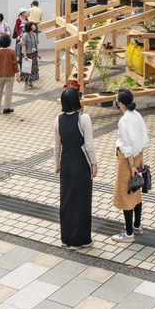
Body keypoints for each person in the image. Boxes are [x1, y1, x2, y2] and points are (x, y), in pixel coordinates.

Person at [54, 86, 97, 248]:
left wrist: (57, 164)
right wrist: (94, 163)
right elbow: (89, 145)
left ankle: (66, 239)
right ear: (76, 101)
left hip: (66, 164)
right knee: (82, 202)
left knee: (66, 202)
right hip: (81, 165)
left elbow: (56, 146)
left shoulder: (57, 119)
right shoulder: (84, 118)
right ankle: (81, 240)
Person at [111, 88, 150, 242]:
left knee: (126, 193)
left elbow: (126, 145)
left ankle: (128, 234)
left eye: (117, 101)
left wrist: (131, 165)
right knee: (136, 191)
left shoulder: (124, 120)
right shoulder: (137, 115)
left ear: (121, 104)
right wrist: (138, 162)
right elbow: (145, 138)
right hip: (139, 155)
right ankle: (137, 226)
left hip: (128, 160)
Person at [0, 34, 17, 114]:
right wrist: (17, 73)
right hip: (10, 74)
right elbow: (15, 64)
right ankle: (7, 108)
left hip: (0, 74)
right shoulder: (12, 51)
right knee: (8, 91)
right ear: (9, 42)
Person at [19, 21, 41, 88]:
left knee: (33, 69)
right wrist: (25, 55)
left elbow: (36, 45)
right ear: (29, 27)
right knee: (26, 69)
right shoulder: (25, 35)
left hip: (33, 54)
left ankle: (31, 83)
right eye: (33, 25)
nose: (34, 26)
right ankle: (26, 83)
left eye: (34, 25)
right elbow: (24, 45)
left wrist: (37, 54)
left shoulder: (34, 34)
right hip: (27, 55)